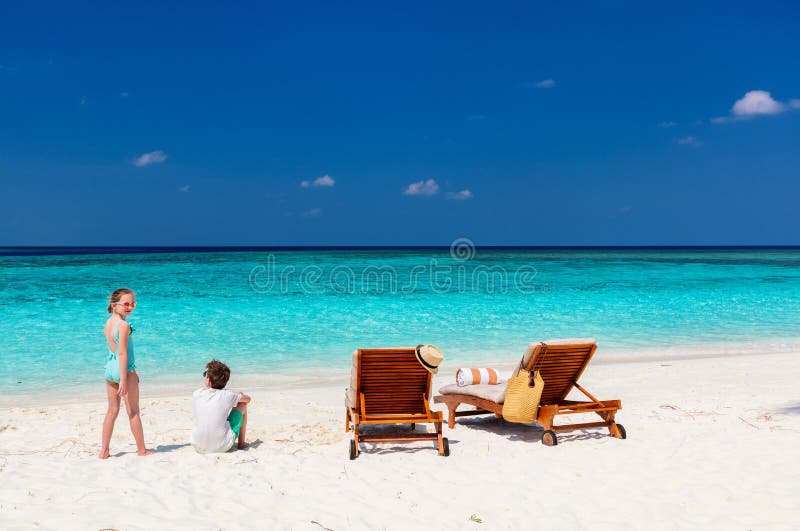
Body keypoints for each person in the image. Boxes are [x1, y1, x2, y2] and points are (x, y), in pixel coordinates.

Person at [99, 288, 154, 459]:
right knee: (134, 412)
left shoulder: (108, 323)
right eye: (126, 304)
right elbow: (123, 353)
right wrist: (125, 377)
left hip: (109, 368)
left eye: (133, 304)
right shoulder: (123, 325)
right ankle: (141, 450)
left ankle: (104, 451)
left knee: (112, 411)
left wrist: (132, 371)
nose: (130, 307)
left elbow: (114, 351)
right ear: (114, 305)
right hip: (123, 370)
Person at [191, 359, 250, 453]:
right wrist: (240, 395)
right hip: (221, 446)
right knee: (242, 404)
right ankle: (241, 444)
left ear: (209, 381)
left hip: (197, 446)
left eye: (205, 374)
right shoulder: (228, 395)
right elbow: (248, 399)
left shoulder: (197, 393)